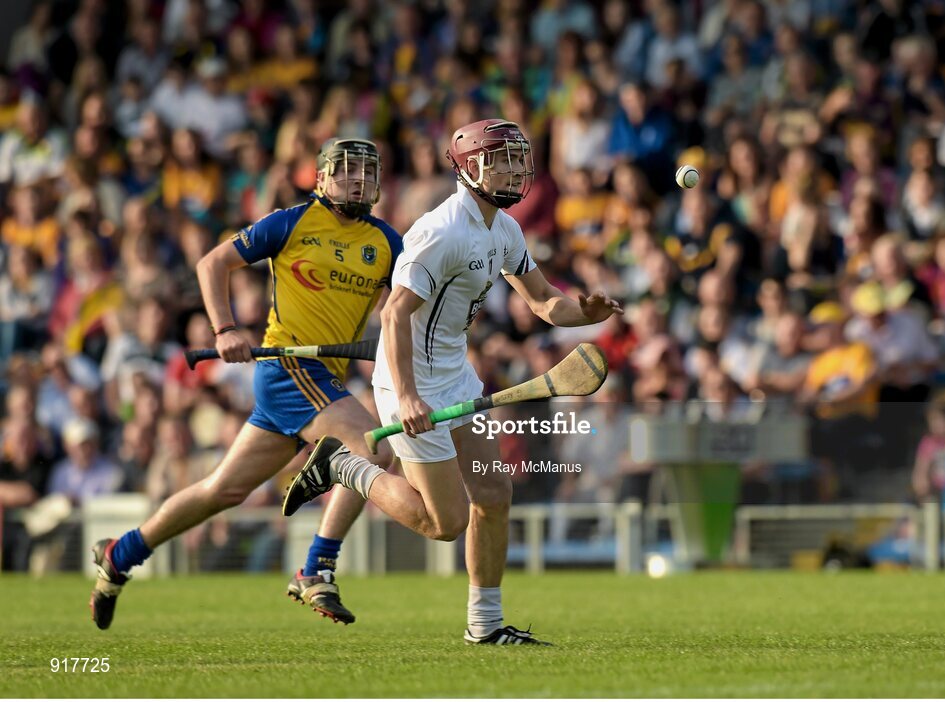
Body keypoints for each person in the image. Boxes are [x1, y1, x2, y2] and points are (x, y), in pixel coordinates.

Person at [282, 119, 623, 645]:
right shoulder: (440, 232)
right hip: (409, 382)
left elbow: (542, 301)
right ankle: (344, 466)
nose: (515, 170)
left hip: (456, 376)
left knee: (494, 492)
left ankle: (485, 626)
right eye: (501, 160)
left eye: (518, 159)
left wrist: (585, 314)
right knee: (444, 523)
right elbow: (394, 315)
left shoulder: (504, 229)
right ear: (470, 168)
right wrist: (408, 396)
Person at [88, 138, 403, 630]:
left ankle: (120, 554)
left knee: (223, 490)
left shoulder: (387, 242)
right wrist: (225, 329)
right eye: (345, 170)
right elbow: (211, 264)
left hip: (325, 379)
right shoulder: (292, 221)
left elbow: (405, 305)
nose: (358, 180)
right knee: (373, 450)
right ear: (321, 178)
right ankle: (317, 566)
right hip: (289, 370)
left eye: (366, 171)